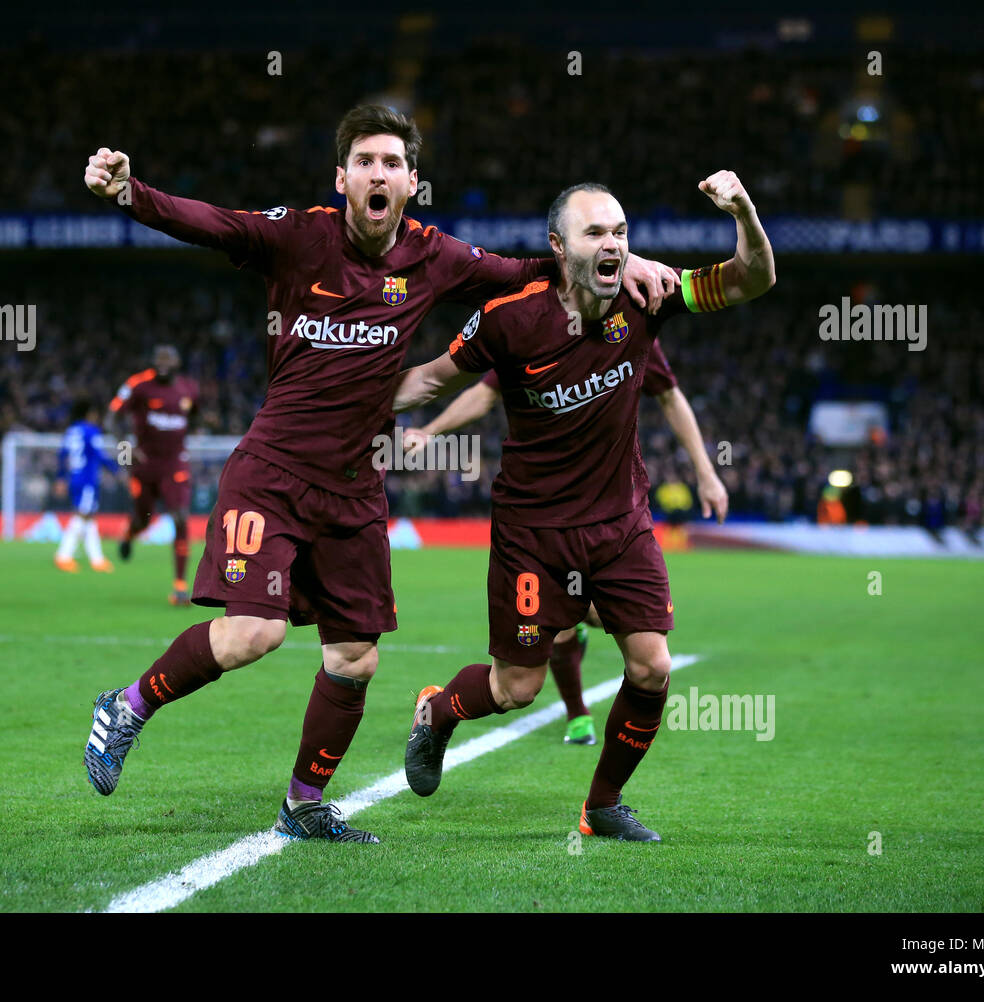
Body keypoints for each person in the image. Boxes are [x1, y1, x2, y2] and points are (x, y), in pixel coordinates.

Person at [79, 103, 679, 843]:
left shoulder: (433, 256)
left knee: (354, 659)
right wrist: (133, 193)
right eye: (365, 161)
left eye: (392, 163)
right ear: (342, 177)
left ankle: (303, 807)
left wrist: (626, 262)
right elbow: (213, 223)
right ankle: (128, 705)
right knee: (254, 634)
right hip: (272, 472)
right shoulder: (299, 236)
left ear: (411, 182)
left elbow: (530, 271)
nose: (378, 173)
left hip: (358, 486)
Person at [393, 171, 774, 841]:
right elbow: (432, 379)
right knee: (516, 690)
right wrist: (341, 399)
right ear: (557, 244)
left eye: (621, 232)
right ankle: (438, 712)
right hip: (533, 535)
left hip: (621, 525)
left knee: (651, 665)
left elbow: (752, 282)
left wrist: (742, 210)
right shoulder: (511, 316)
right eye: (595, 232)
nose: (612, 244)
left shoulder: (647, 297)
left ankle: (602, 806)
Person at [400, 339, 728, 745]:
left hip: (610, 523)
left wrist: (706, 471)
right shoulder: (530, 327)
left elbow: (670, 395)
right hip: (541, 525)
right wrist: (430, 431)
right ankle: (575, 714)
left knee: (634, 641)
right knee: (527, 674)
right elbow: (484, 393)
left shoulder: (632, 324)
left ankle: (600, 790)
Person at [107, 345, 200, 604]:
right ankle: (129, 534)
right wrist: (127, 448)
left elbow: (195, 416)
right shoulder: (138, 385)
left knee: (180, 517)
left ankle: (180, 587)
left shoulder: (189, 388)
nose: (163, 363)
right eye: (159, 359)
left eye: (168, 359)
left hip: (175, 464)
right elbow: (111, 418)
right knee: (143, 520)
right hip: (145, 465)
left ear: (178, 362)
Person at [54, 399, 119, 573]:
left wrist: (60, 478)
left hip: (74, 477)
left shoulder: (72, 431)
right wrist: (116, 469)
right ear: (90, 413)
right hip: (87, 479)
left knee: (88, 517)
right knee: (82, 516)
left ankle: (97, 559)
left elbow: (62, 455)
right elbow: (100, 454)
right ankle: (63, 556)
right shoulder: (91, 431)